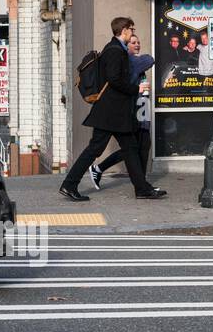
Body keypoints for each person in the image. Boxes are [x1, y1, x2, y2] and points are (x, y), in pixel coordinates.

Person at [58, 16, 167, 202]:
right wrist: (136, 89)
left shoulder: (115, 49)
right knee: (95, 150)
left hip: (115, 113)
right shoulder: (115, 51)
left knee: (130, 148)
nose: (132, 32)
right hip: (111, 112)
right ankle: (69, 185)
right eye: (131, 29)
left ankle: (142, 188)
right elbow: (115, 80)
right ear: (123, 30)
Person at [91, 34, 155, 186]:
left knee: (139, 146)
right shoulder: (132, 61)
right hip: (135, 111)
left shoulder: (132, 62)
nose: (137, 45)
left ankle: (100, 169)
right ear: (127, 46)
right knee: (136, 147)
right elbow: (150, 59)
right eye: (133, 43)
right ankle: (141, 183)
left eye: (138, 42)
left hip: (142, 108)